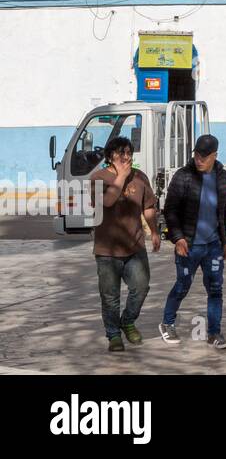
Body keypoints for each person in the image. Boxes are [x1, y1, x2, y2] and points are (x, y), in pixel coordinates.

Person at [160, 133, 226, 349]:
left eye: (204, 156)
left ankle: (214, 333)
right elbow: (170, 210)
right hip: (189, 244)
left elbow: (225, 212)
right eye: (196, 155)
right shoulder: (183, 177)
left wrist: (225, 241)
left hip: (213, 246)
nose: (198, 160)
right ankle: (167, 323)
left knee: (216, 288)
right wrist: (178, 238)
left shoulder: (224, 178)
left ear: (214, 155)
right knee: (183, 285)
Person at [89, 136, 161, 353]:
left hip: (135, 247)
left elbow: (148, 207)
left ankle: (128, 321)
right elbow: (108, 201)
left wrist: (154, 231)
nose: (127, 157)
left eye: (129, 153)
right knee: (110, 297)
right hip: (107, 249)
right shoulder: (98, 178)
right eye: (121, 153)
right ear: (111, 156)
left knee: (140, 287)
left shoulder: (140, 177)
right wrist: (121, 176)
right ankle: (113, 335)